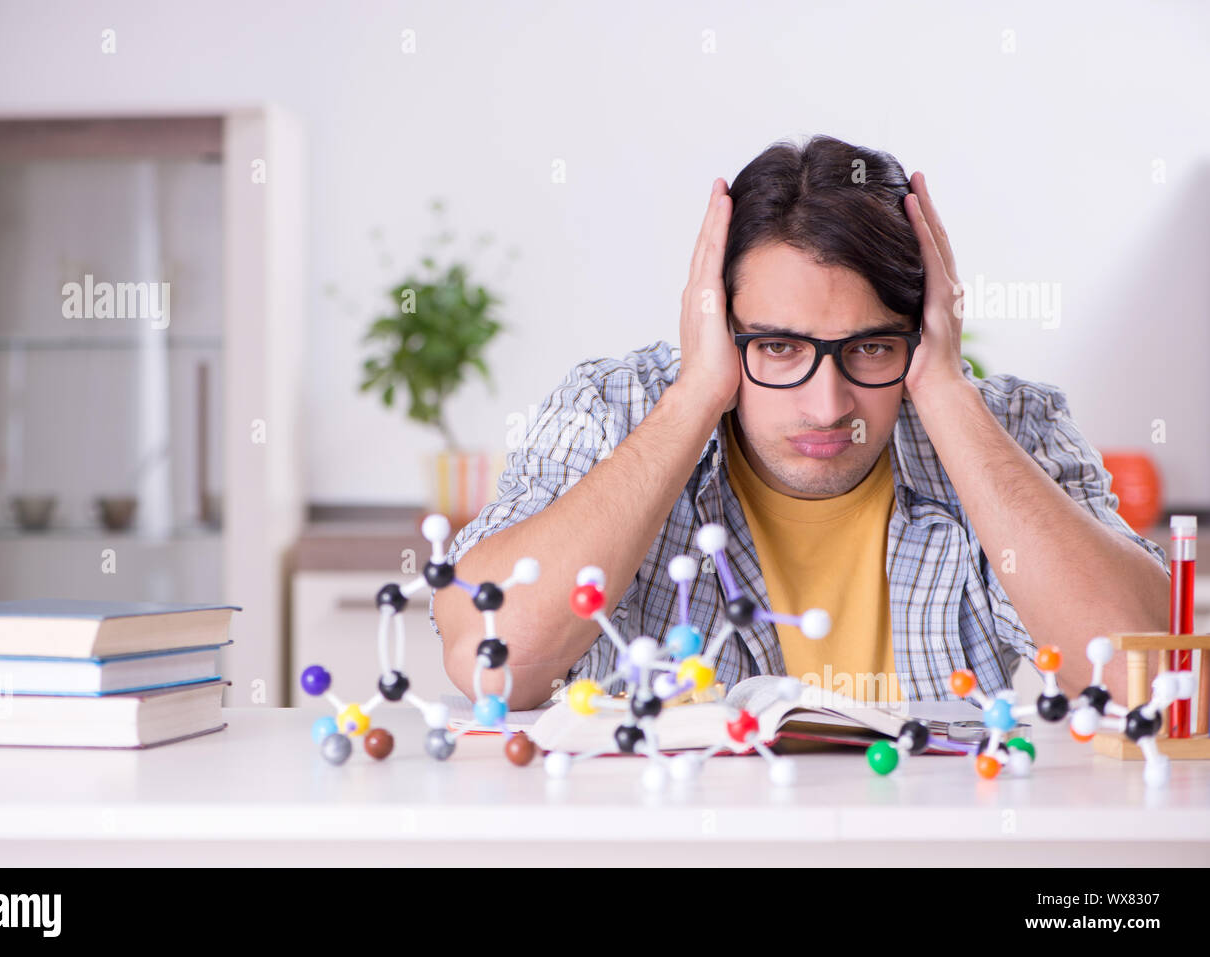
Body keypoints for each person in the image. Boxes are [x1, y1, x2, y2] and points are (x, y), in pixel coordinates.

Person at [429, 134, 1170, 710]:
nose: (827, 406)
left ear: (925, 327)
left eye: (871, 346)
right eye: (777, 347)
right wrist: (693, 398)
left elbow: (1148, 679)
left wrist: (944, 390)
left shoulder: (1010, 427)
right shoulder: (612, 410)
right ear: (715, 324)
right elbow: (491, 663)